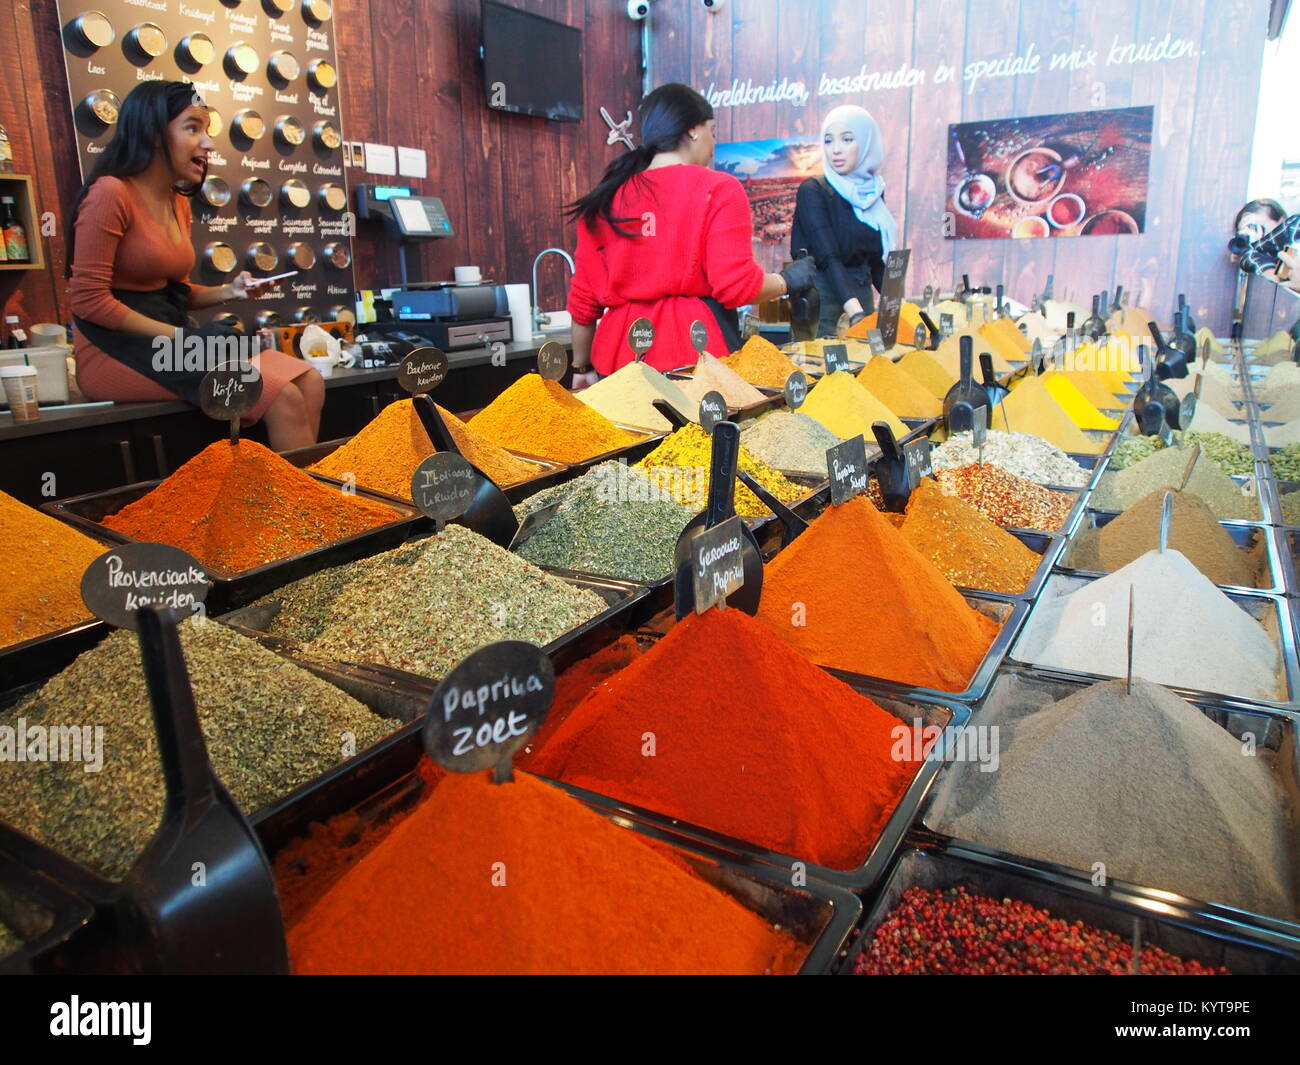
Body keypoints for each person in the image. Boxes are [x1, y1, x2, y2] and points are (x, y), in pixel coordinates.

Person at [67, 81, 323, 450]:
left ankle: (294, 499)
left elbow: (176, 294)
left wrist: (231, 291)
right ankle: (291, 508)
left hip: (170, 341)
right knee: (280, 395)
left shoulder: (177, 201)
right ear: (153, 132)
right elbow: (88, 301)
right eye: (192, 128)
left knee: (308, 379)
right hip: (114, 349)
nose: (208, 143)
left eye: (206, 129)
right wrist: (180, 338)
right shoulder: (111, 193)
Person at [564, 83, 815, 383]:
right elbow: (736, 287)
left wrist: (581, 368)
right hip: (694, 358)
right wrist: (788, 280)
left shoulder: (606, 198)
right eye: (713, 131)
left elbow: (583, 304)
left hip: (618, 365)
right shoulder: (720, 189)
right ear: (693, 130)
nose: (712, 144)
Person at [790, 105, 898, 337]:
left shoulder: (871, 195)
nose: (836, 150)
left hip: (860, 299)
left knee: (866, 368)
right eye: (828, 141)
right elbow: (829, 258)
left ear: (867, 142)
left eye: (847, 139)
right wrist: (855, 313)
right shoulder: (814, 190)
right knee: (826, 371)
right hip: (824, 306)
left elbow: (875, 260)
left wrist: (897, 305)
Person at [1237, 201, 1300, 295]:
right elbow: (1276, 283)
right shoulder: (1293, 230)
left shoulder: (1293, 228)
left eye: (1255, 227)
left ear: (1282, 221)